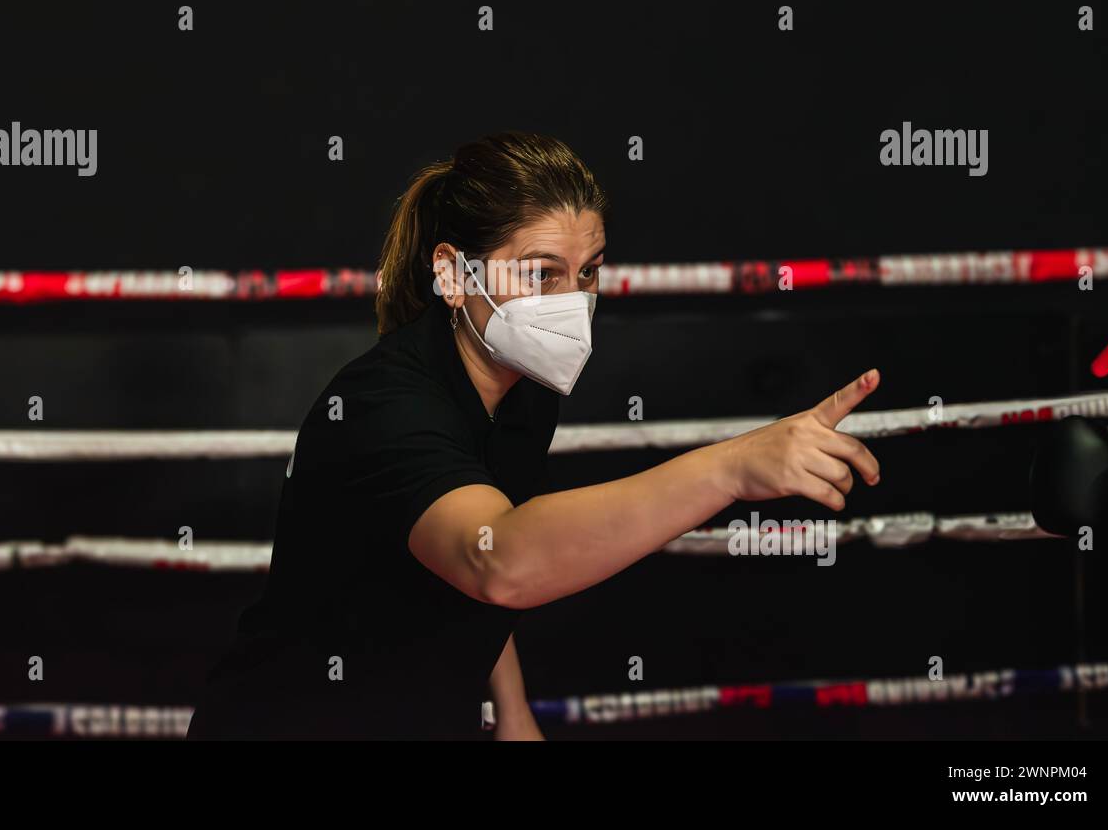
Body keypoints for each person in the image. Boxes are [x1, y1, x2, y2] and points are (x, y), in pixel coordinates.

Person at [186, 131, 882, 740]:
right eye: (541, 272)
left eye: (588, 273)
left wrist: (512, 713)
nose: (572, 301)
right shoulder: (382, 407)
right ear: (453, 275)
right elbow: (500, 563)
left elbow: (490, 533)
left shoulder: (521, 390)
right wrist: (730, 469)